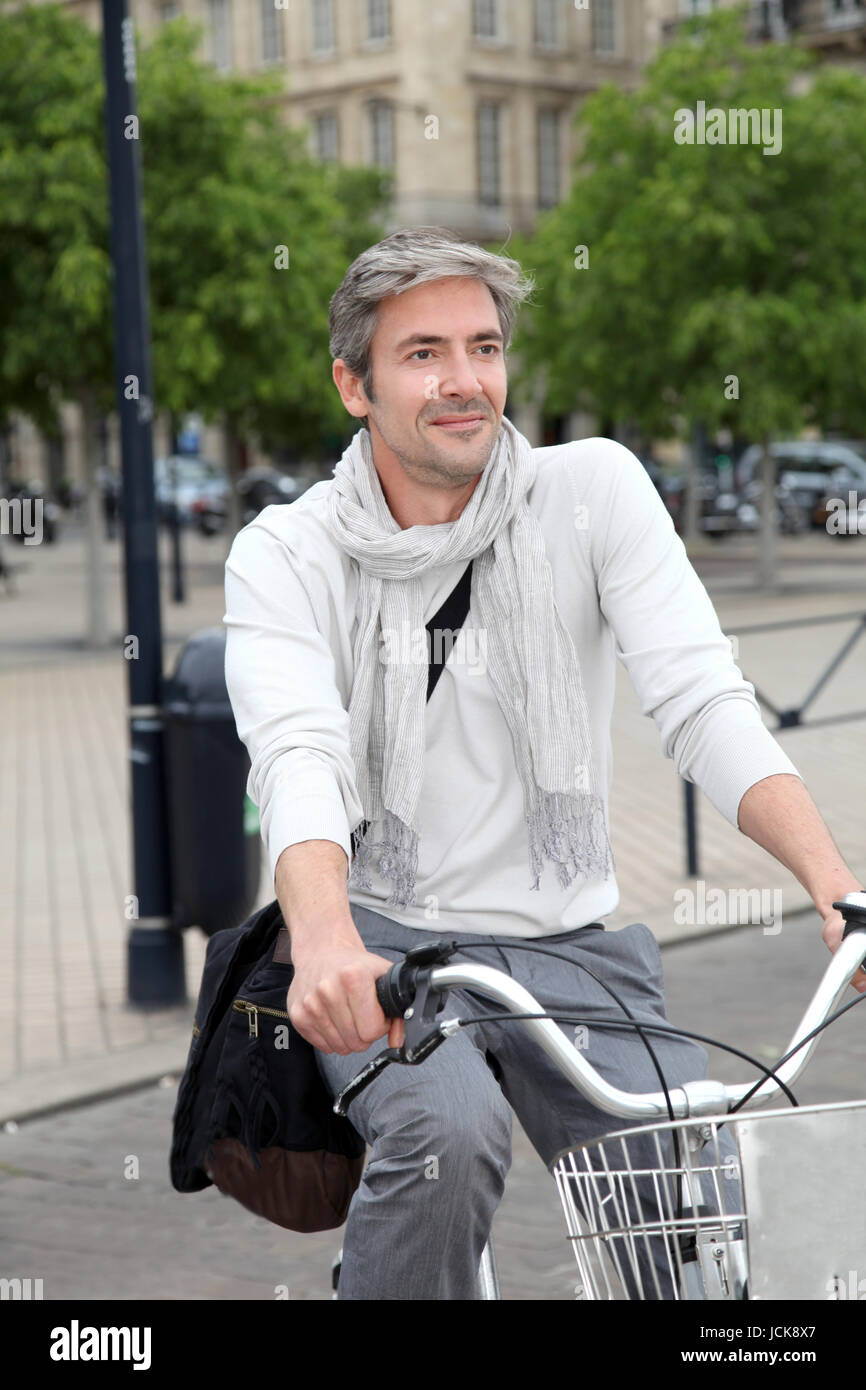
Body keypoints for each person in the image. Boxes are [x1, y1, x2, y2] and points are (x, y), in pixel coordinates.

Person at [223, 227, 863, 1300]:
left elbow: (701, 699)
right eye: (422, 353)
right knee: (445, 1138)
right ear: (353, 384)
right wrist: (325, 942)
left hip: (569, 939)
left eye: (482, 346)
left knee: (679, 1195)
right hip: (387, 942)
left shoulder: (592, 491)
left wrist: (833, 883)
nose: (463, 381)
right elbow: (298, 755)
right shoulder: (288, 553)